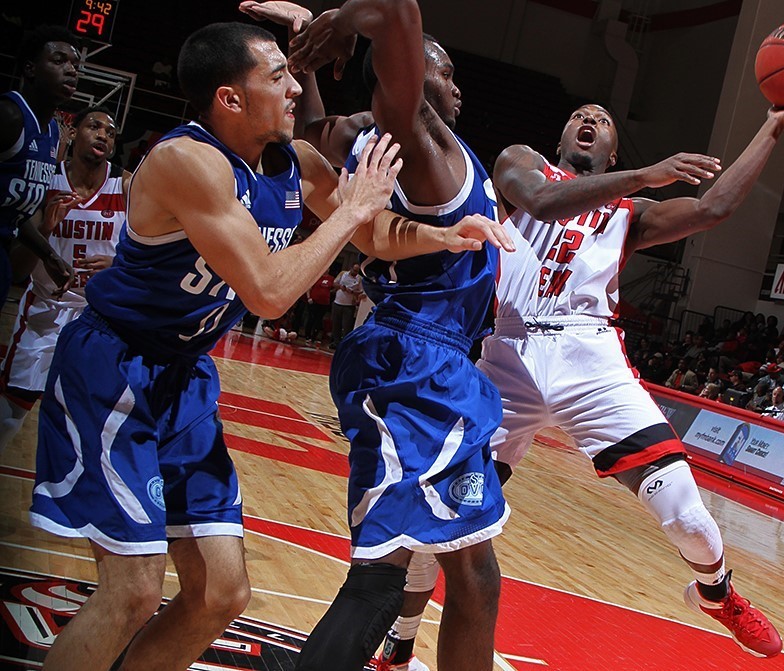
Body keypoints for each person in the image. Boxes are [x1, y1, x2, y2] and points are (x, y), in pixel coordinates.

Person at [368, 97, 784, 667]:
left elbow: (714, 207)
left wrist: (773, 126)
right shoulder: (522, 164)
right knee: (439, 508)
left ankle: (716, 594)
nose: (589, 121)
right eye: (579, 114)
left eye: (604, 119)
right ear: (563, 135)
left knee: (689, 517)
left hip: (589, 354)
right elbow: (542, 200)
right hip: (507, 354)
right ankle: (400, 644)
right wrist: (645, 173)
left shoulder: (629, 214)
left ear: (612, 148)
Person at [29, 23, 413, 670]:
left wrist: (452, 234)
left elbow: (376, 234)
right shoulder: (188, 161)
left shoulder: (291, 161)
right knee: (133, 590)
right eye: (277, 76)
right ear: (230, 99)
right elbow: (267, 292)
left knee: (220, 591)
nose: (295, 88)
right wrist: (348, 214)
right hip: (114, 367)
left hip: (184, 376)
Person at [240, 2, 519, 670]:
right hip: (416, 365)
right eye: (442, 71)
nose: (456, 88)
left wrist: (302, 47)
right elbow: (398, 12)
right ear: (408, 80)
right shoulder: (420, 144)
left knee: (475, 576)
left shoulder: (369, 142)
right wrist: (338, 21)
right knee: (379, 582)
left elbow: (310, 131)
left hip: (436, 366)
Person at [0, 107, 127, 455]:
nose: (103, 134)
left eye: (110, 132)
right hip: (46, 309)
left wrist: (119, 264)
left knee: (92, 421)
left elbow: (158, 251)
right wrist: (44, 232)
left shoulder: (127, 185)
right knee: (12, 408)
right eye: (94, 126)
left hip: (101, 318)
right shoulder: (47, 183)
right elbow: (17, 268)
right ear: (73, 135)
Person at [1, 25, 77, 308]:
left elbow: (18, 212)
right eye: (59, 61)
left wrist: (49, 255)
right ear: (31, 69)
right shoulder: (9, 115)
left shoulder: (54, 133)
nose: (71, 70)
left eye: (74, 65)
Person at [330, 261, 362, 347]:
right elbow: (334, 283)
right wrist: (340, 287)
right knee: (336, 324)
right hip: (338, 302)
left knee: (346, 326)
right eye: (354, 270)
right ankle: (336, 342)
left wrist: (352, 292)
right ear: (351, 268)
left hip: (349, 305)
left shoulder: (359, 279)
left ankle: (344, 344)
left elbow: (361, 292)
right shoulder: (343, 274)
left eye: (357, 271)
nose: (355, 272)